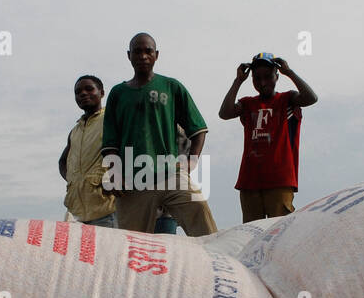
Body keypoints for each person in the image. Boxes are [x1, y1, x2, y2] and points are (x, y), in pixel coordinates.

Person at [101, 32, 218, 235]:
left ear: (157, 55)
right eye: (137, 51)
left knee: (202, 217)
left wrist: (192, 161)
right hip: (132, 179)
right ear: (129, 55)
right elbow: (110, 143)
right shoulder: (118, 93)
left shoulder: (171, 87)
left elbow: (198, 129)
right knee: (132, 243)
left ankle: (217, 264)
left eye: (148, 51)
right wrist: (114, 173)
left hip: (171, 173)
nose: (143, 56)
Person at [218, 52, 318, 222]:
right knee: (250, 234)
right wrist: (238, 81)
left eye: (267, 76)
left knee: (278, 233)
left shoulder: (287, 99)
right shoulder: (248, 103)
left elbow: (311, 98)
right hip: (250, 180)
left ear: (276, 76)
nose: (262, 82)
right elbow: (225, 113)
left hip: (279, 179)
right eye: (257, 78)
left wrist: (290, 72)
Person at [59, 75, 117, 227]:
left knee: (109, 251)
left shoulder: (111, 119)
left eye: (89, 89)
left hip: (107, 210)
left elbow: (130, 148)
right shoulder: (75, 131)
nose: (83, 94)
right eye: (78, 92)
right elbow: (62, 161)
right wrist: (73, 180)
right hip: (76, 213)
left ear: (102, 93)